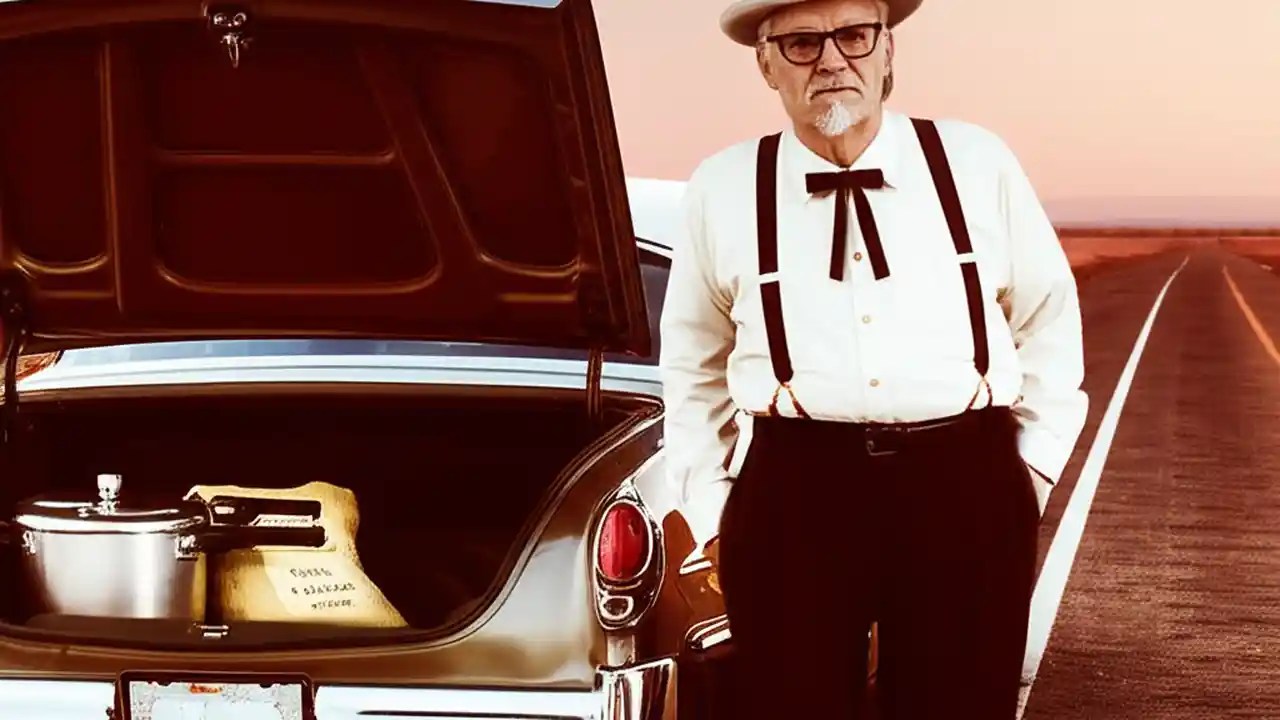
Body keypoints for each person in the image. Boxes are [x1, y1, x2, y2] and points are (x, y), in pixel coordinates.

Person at [658, 0, 1088, 717]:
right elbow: (692, 362)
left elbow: (1048, 318)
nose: (831, 60)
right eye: (800, 43)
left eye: (853, 35)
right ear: (765, 63)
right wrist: (718, 511)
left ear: (888, 50)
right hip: (794, 497)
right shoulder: (722, 187)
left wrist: (1028, 473)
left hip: (964, 488)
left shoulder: (977, 162)